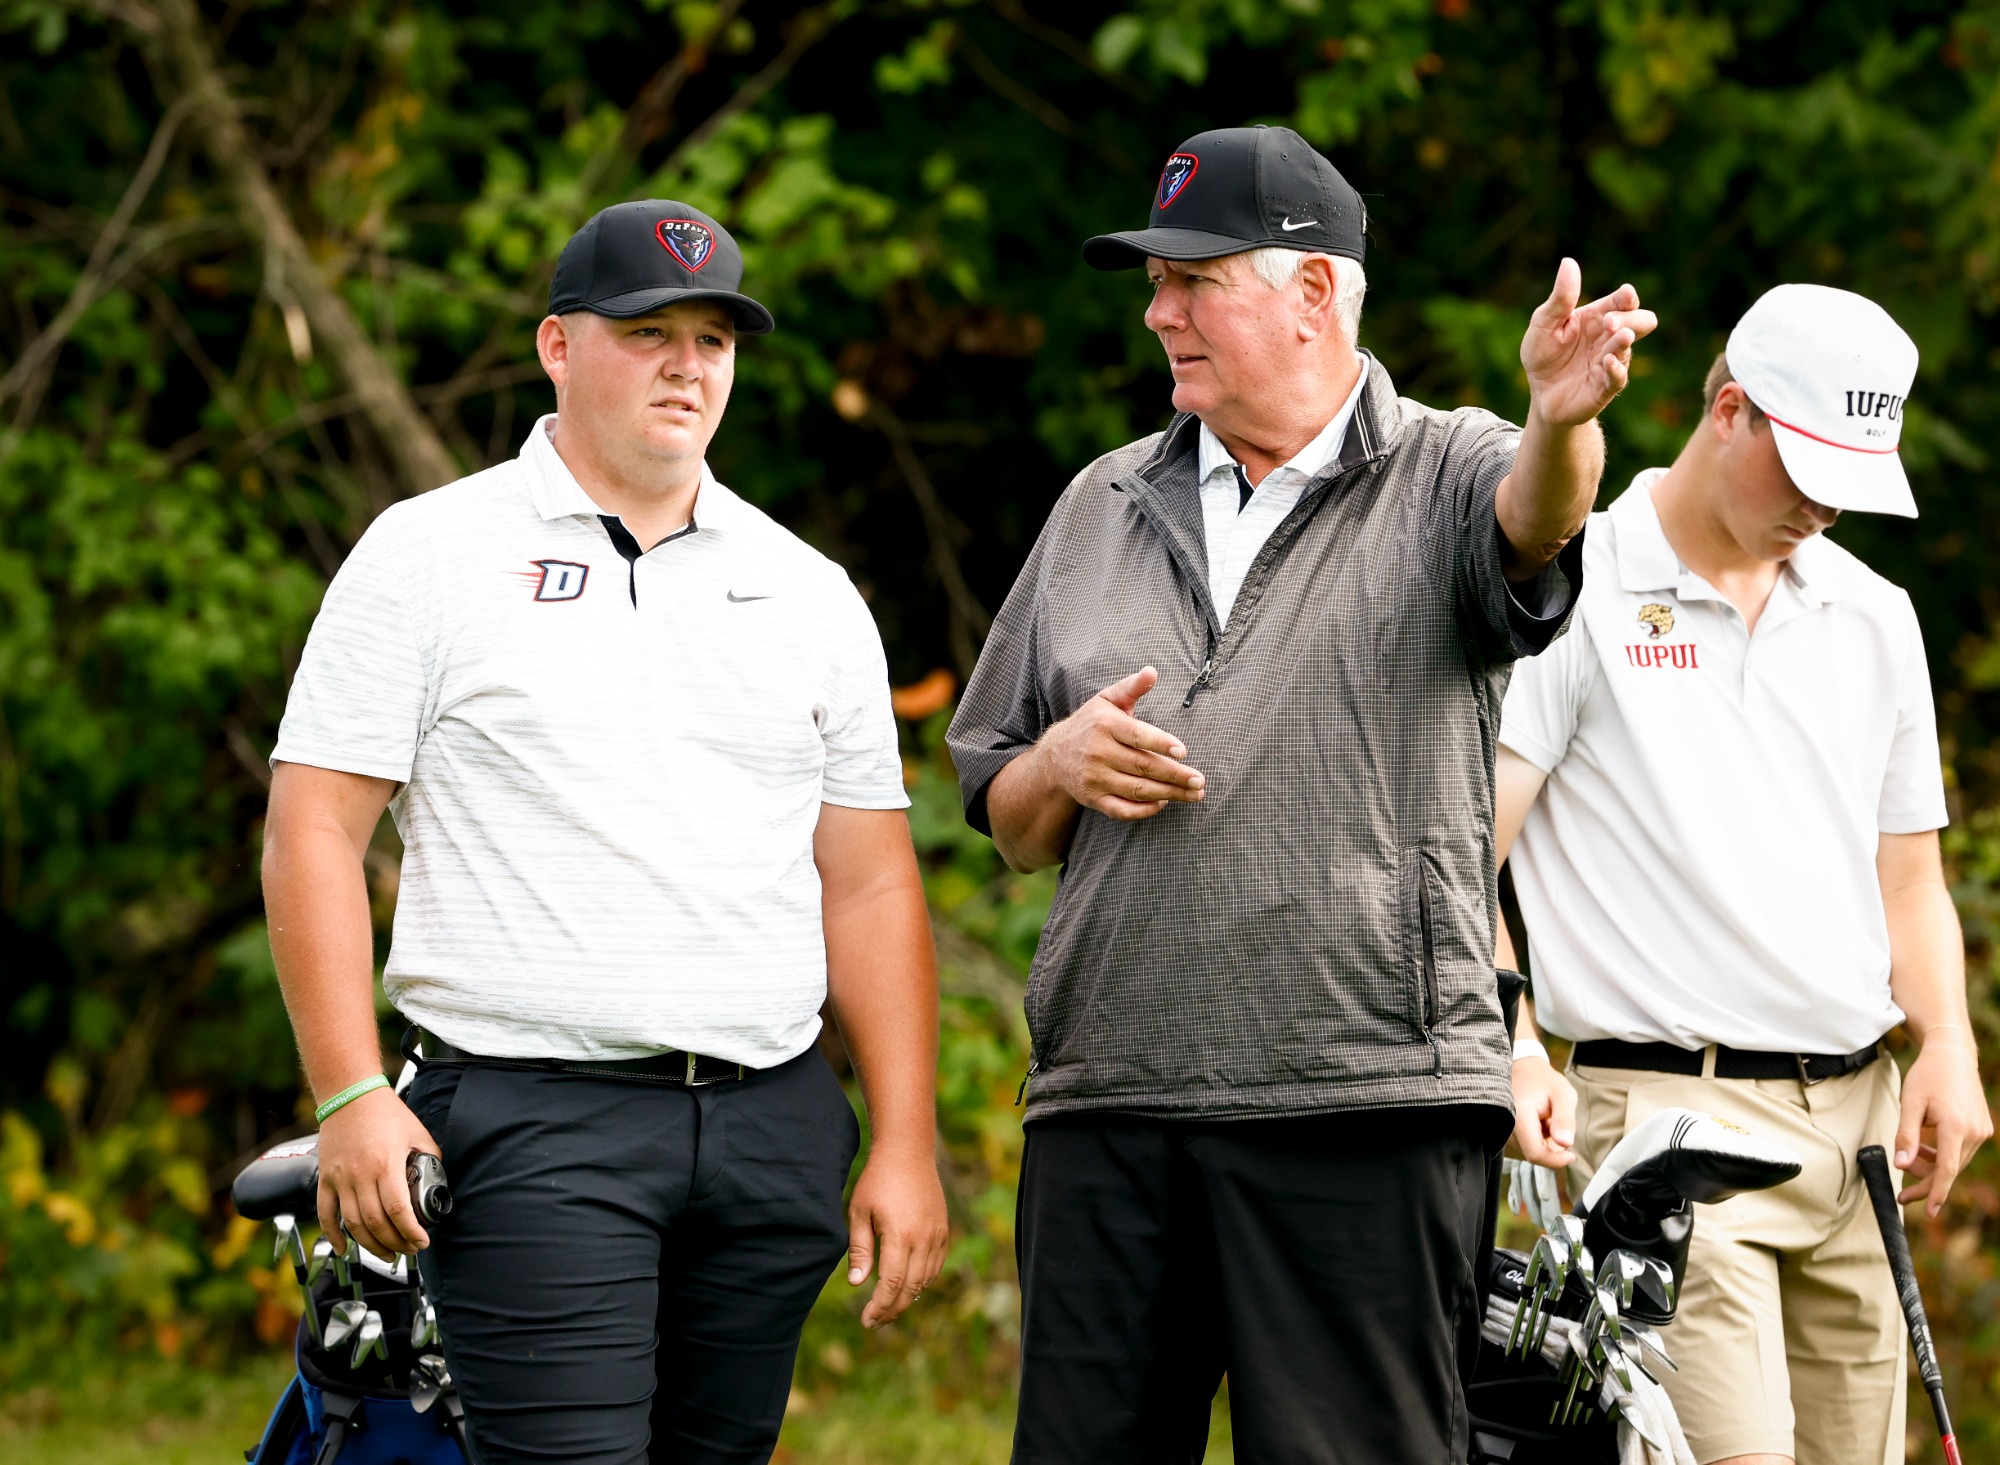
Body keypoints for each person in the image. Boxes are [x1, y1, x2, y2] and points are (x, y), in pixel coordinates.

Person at [947, 125, 1655, 1463]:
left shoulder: (1453, 466)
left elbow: (1538, 516)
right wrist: (1058, 763)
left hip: (1366, 1102)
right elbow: (1005, 812)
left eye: (1195, 279)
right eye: (1154, 282)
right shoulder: (1099, 503)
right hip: (1112, 1101)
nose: (1159, 311)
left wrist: (1566, 421)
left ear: (1315, 293)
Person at [262, 199, 949, 1465]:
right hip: (534, 1119)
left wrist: (904, 1138)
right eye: (649, 333)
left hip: (771, 1127)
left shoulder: (807, 591)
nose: (688, 366)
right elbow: (312, 824)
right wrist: (353, 1090)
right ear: (557, 347)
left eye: (715, 340)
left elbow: (864, 884)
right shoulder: (426, 554)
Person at [1496, 283, 1993, 1465]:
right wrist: (1510, 1045)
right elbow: (1462, 857)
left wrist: (1949, 1045)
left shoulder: (1873, 616)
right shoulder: (1582, 587)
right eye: (1806, 470)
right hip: (1673, 1134)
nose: (1824, 508)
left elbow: (1908, 882)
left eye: (1849, 480)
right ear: (1730, 410)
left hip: (1857, 1136)